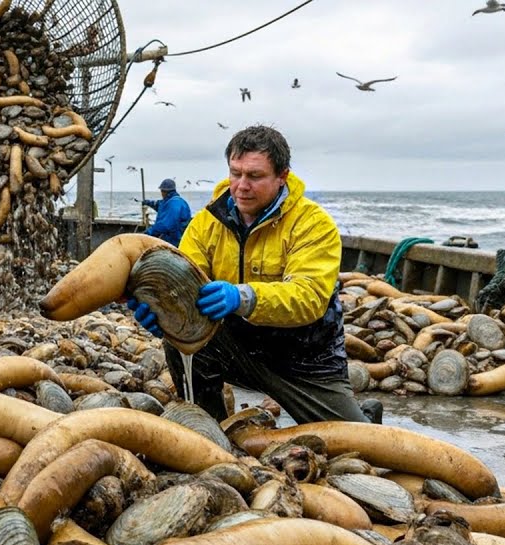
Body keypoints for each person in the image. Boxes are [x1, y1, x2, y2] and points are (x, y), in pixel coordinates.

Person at [128, 125, 380, 424]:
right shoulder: (206, 223)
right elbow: (184, 289)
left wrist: (242, 297)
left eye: (255, 176)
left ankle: (363, 415)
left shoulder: (314, 224)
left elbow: (309, 297)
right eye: (236, 173)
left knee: (356, 437)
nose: (241, 186)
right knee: (182, 339)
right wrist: (162, 313)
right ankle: (209, 426)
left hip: (306, 359)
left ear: (282, 176)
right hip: (238, 347)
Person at [142, 178, 192, 245]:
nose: (161, 193)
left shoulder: (174, 204)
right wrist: (147, 202)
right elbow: (158, 204)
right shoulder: (169, 201)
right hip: (170, 239)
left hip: (176, 242)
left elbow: (165, 225)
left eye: (161, 191)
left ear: (164, 191)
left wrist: (147, 234)